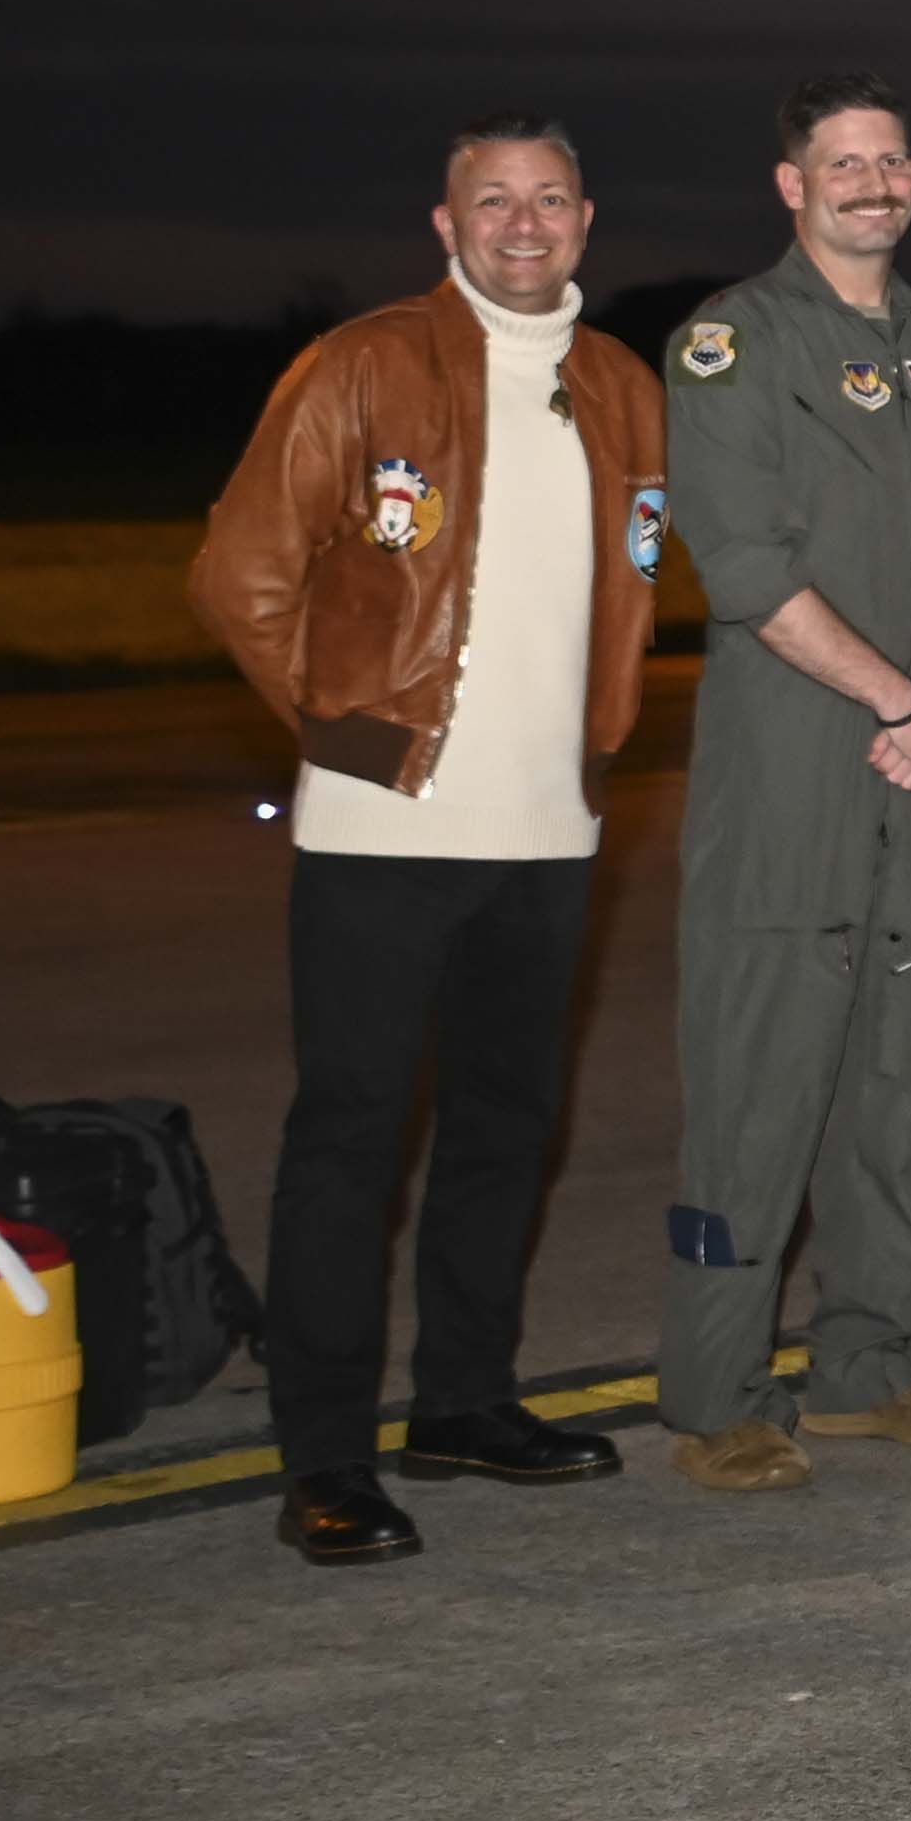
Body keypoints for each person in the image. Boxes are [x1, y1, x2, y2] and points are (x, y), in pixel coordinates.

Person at [187, 113, 667, 1566]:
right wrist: (353, 736)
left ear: (584, 220)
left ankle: (463, 1400)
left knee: (505, 1130)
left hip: (552, 826)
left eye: (548, 198)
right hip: (382, 829)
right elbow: (238, 576)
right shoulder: (362, 363)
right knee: (350, 1144)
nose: (523, 223)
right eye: (492, 200)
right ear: (446, 224)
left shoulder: (623, 386)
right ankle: (325, 1457)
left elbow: (629, 584)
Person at [656, 78, 911, 1490]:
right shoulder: (733, 339)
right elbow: (743, 566)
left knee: (891, 1076)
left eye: (892, 160)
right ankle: (717, 1392)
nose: (873, 182)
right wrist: (898, 698)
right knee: (759, 1080)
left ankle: (871, 1365)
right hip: (792, 767)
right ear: (792, 184)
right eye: (843, 162)